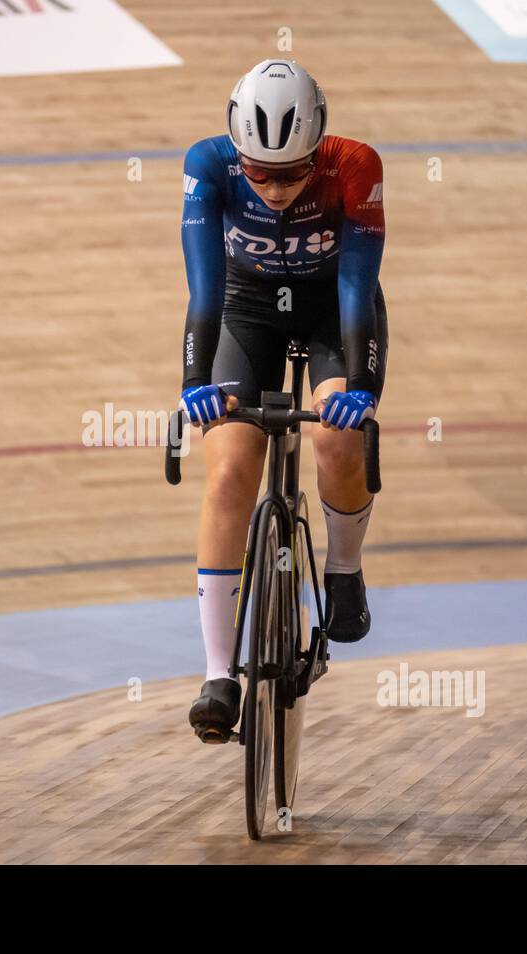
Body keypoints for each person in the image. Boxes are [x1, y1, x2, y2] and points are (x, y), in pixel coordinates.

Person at [178, 59, 388, 742]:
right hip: (245, 310)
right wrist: (193, 386)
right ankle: (217, 675)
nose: (272, 188)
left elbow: (358, 286)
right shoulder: (208, 166)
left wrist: (361, 389)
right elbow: (205, 291)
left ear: (319, 148)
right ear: (236, 153)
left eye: (292, 173)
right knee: (231, 472)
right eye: (258, 173)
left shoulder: (354, 165)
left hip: (332, 309)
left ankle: (345, 567)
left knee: (334, 436)